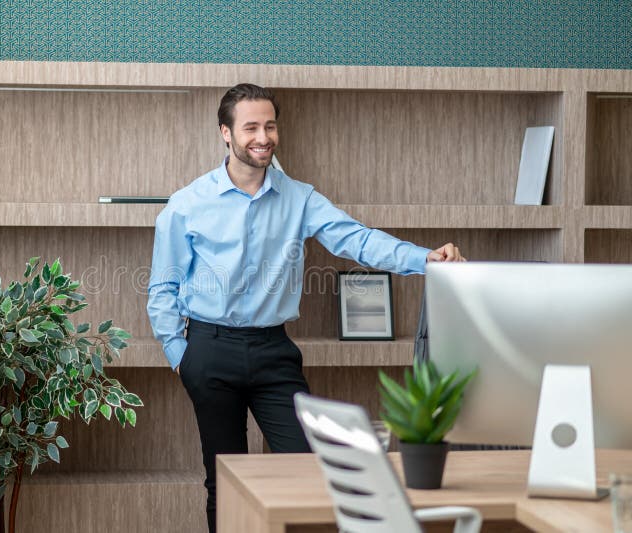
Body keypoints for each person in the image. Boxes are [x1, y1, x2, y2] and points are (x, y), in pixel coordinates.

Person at [147, 83, 465, 532]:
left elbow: (357, 239)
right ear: (226, 133)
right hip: (209, 350)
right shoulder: (187, 204)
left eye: (270, 126)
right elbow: (163, 286)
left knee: (309, 474)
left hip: (274, 352)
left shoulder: (300, 198)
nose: (263, 137)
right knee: (224, 483)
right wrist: (180, 355)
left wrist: (424, 259)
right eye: (251, 127)